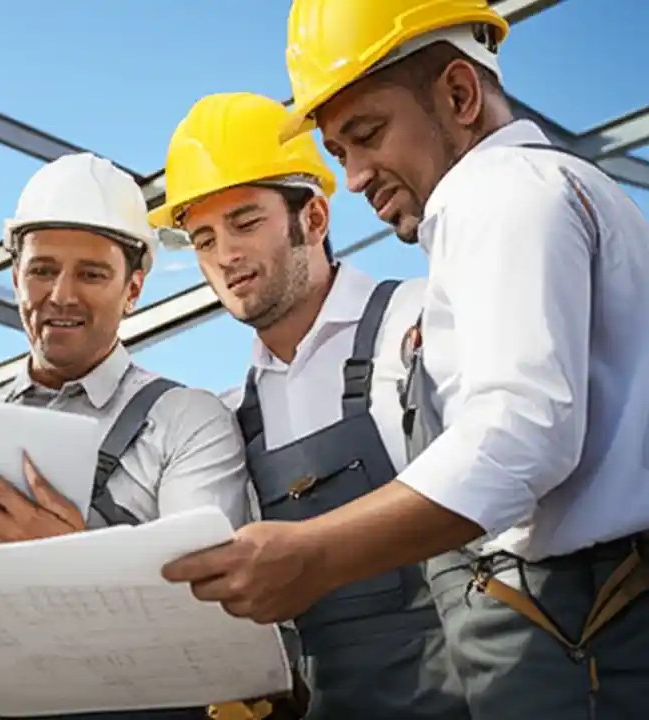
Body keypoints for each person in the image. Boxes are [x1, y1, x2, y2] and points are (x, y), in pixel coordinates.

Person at [161, 2, 649, 718]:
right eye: (338, 153)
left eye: (367, 135)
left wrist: (315, 554)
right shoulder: (527, 198)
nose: (354, 177)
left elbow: (519, 437)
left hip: (588, 637)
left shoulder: (500, 192)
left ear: (459, 94)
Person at [151, 90, 468, 719]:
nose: (225, 257)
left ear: (315, 219)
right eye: (204, 239)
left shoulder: (417, 323)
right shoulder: (236, 414)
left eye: (245, 223)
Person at [0, 152, 253, 719]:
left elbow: (206, 622)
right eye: (42, 270)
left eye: (92, 274)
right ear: (16, 277)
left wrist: (63, 559)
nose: (62, 295)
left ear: (133, 288)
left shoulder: (188, 422)